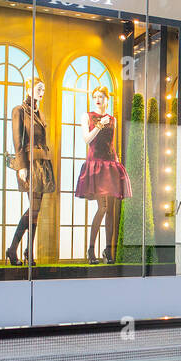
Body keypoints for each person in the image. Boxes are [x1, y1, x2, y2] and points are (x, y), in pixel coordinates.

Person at [75, 85, 131, 264]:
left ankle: (108, 250)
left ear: (107, 99)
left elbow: (111, 143)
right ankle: (91, 250)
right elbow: (87, 139)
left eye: (102, 97)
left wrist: (116, 162)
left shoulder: (113, 119)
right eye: (96, 96)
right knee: (103, 207)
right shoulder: (87, 116)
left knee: (112, 210)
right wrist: (99, 125)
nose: (98, 99)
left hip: (111, 165)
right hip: (96, 165)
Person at [6, 78, 57, 266]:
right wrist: (21, 166)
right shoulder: (19, 110)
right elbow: (17, 140)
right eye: (38, 89)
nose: (42, 92)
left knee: (36, 211)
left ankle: (26, 251)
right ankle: (14, 249)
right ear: (28, 89)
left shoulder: (39, 113)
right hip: (28, 163)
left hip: (42, 164)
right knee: (34, 209)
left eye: (43, 89)